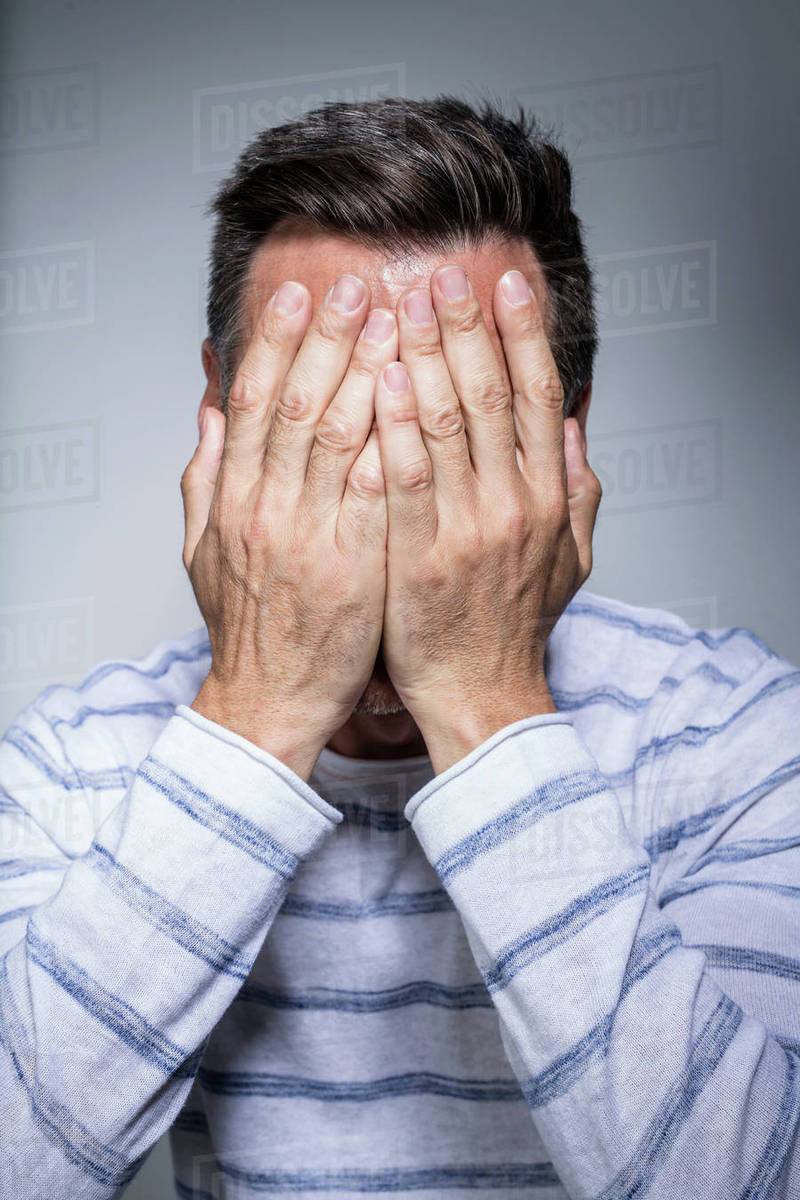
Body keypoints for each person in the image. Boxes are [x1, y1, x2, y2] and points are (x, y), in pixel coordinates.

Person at [1, 95, 798, 1200]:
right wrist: (261, 709)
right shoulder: (74, 764)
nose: (389, 491)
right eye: (319, 422)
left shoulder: (741, 739)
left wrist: (484, 701)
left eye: (458, 429)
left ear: (566, 435)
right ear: (219, 416)